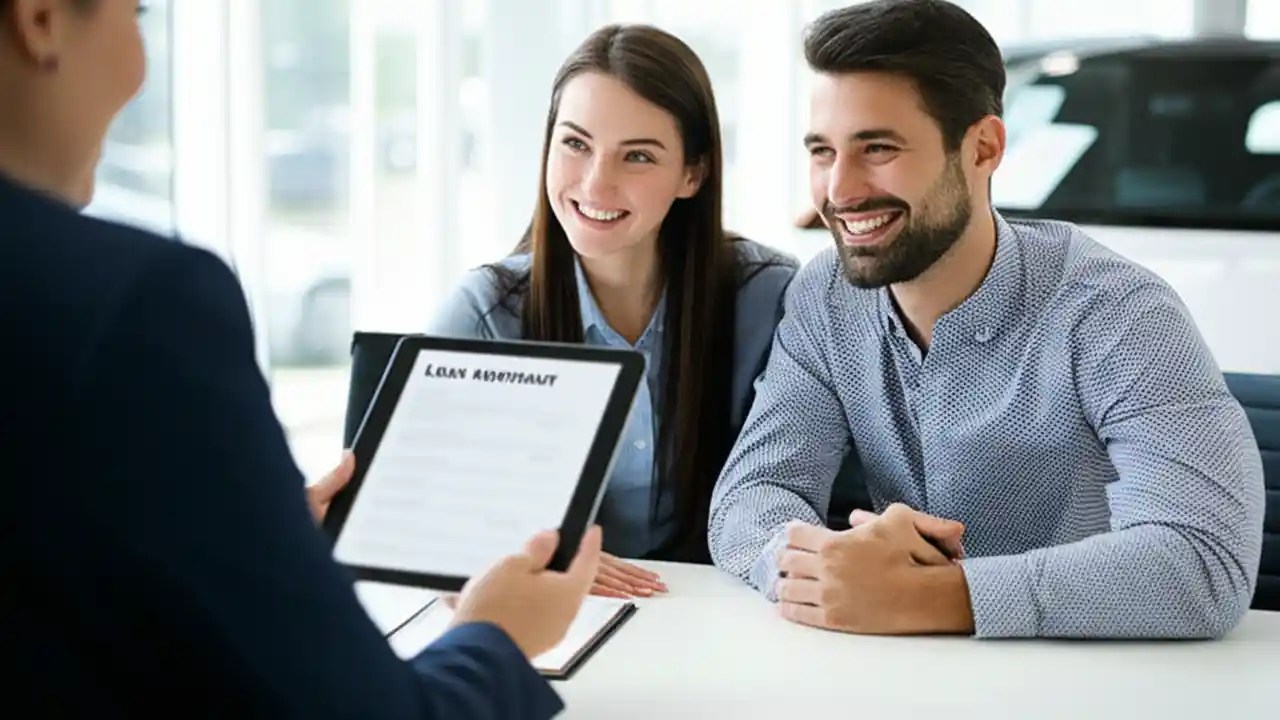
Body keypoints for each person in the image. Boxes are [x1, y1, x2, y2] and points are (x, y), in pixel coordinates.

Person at [1, 1, 601, 716]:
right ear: (39, 18)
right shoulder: (136, 305)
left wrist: (244, 533)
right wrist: (497, 634)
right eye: (134, 12)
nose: (140, 71)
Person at [708, 0, 1264, 639]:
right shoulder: (827, 294)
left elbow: (1203, 564)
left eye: (878, 148)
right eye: (823, 152)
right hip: (892, 673)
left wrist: (934, 597)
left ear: (983, 148)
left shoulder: (1119, 312)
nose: (839, 189)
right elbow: (749, 497)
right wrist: (817, 564)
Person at [428, 24, 799, 598]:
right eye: (575, 144)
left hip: (726, 616)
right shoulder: (484, 313)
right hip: (555, 614)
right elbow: (418, 515)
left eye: (638, 157)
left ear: (692, 174)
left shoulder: (768, 298)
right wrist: (530, 546)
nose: (596, 183)